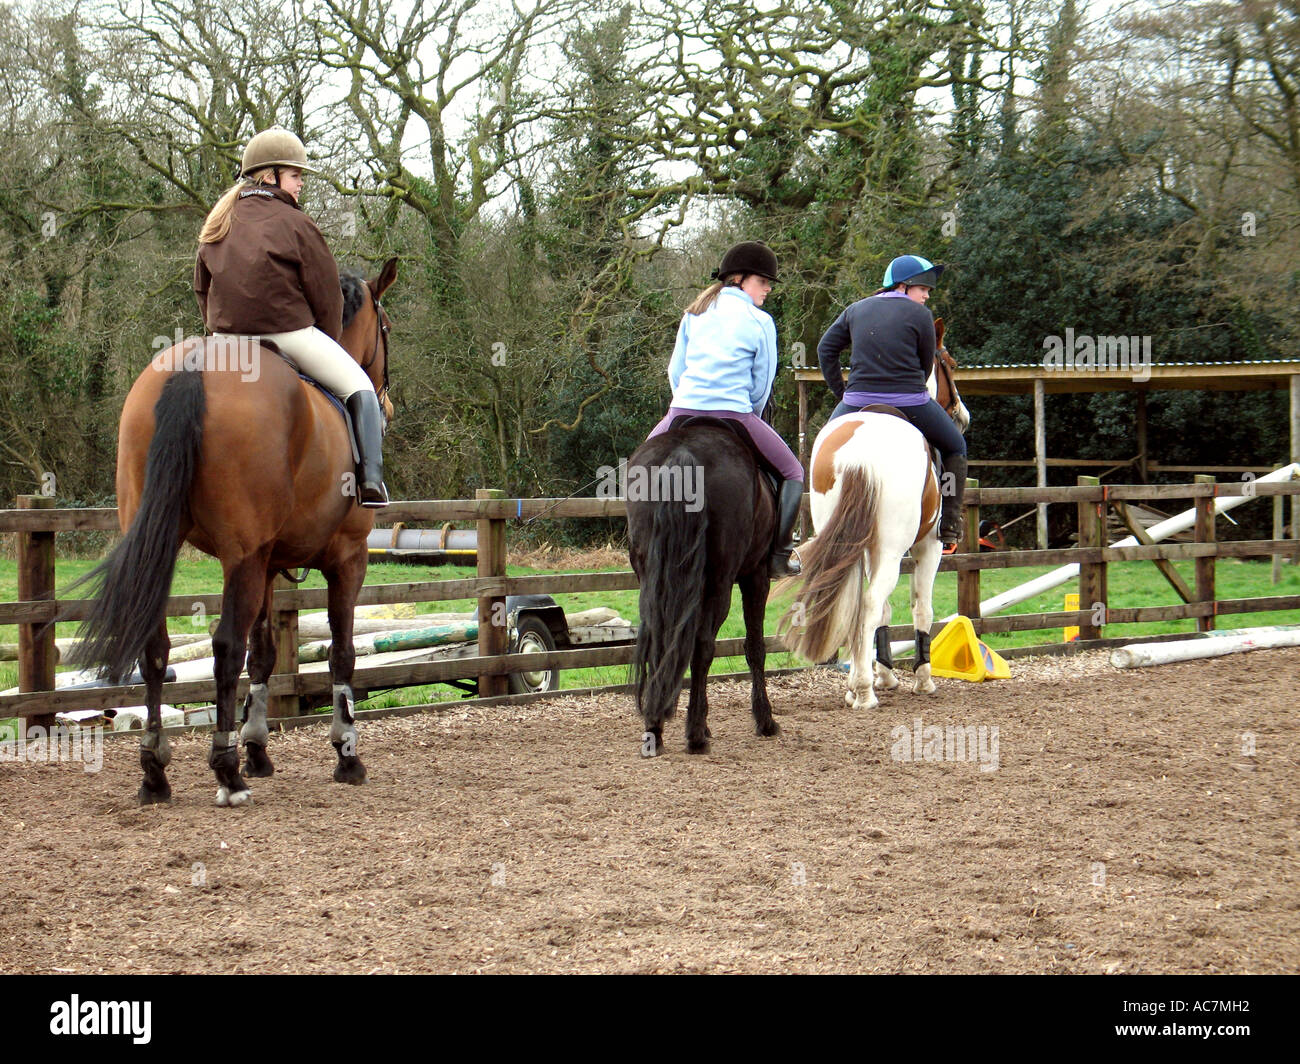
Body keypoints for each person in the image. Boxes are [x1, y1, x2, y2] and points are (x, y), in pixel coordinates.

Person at [193, 126, 388, 507]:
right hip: (289, 335)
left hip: (225, 342)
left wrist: (220, 330)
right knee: (360, 386)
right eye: (296, 175)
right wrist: (329, 339)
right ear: (271, 175)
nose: (300, 185)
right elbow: (327, 296)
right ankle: (370, 483)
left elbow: (202, 289)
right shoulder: (296, 222)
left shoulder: (217, 222)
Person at [646, 241, 805, 576]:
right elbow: (762, 383)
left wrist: (684, 407)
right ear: (739, 279)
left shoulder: (694, 313)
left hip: (682, 410)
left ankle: (640, 540)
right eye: (763, 281)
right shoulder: (760, 321)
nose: (768, 288)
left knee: (640, 467)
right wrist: (753, 417)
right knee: (793, 472)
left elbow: (676, 370)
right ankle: (780, 554)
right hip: (735, 413)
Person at [816, 254, 967, 547]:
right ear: (902, 286)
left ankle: (819, 525)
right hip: (911, 400)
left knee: (824, 448)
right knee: (956, 445)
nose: (926, 295)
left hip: (856, 401)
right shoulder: (922, 316)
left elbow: (825, 349)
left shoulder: (854, 310)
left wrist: (842, 393)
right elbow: (926, 365)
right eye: (922, 288)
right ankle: (950, 523)